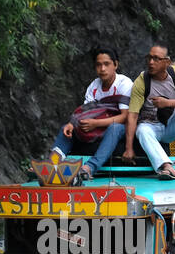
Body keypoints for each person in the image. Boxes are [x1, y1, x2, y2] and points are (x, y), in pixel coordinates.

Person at [51, 48, 132, 183]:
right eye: (98, 65)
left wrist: (95, 124)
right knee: (67, 128)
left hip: (123, 127)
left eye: (106, 64)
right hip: (98, 127)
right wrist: (72, 124)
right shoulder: (94, 86)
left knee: (115, 128)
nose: (102, 69)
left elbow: (125, 117)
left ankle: (89, 168)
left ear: (115, 65)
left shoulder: (125, 84)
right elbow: (85, 112)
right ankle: (52, 163)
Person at [124, 44, 175, 179]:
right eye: (149, 58)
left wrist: (167, 103)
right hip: (152, 126)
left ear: (167, 62)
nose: (151, 62)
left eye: (156, 59)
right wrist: (129, 148)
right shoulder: (142, 80)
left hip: (172, 125)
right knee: (142, 130)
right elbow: (133, 115)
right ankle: (165, 166)